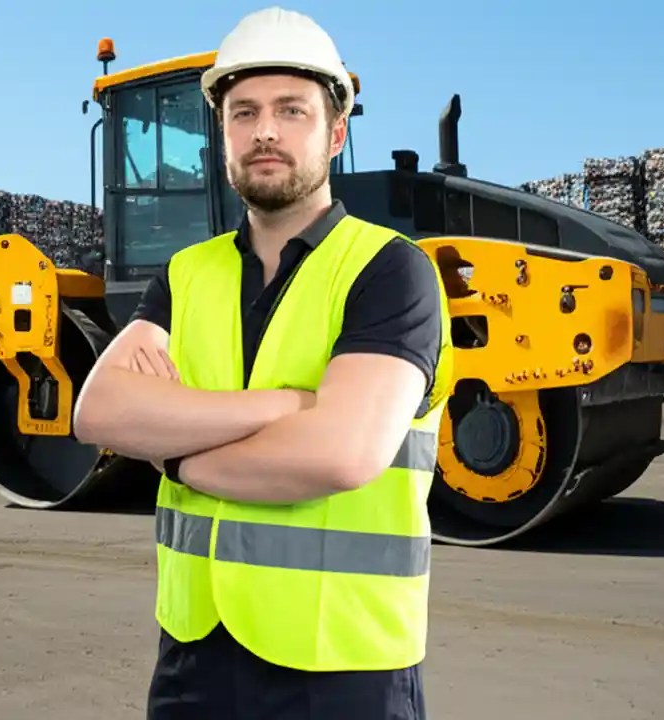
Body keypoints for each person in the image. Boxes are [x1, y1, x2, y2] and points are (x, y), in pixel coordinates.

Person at [72, 6, 453, 719]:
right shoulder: (187, 273)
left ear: (335, 133)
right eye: (243, 113)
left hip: (341, 663)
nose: (265, 131)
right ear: (222, 138)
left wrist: (178, 456)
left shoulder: (389, 271)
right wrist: (282, 405)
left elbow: (341, 454)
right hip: (193, 653)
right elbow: (99, 411)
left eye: (291, 110)